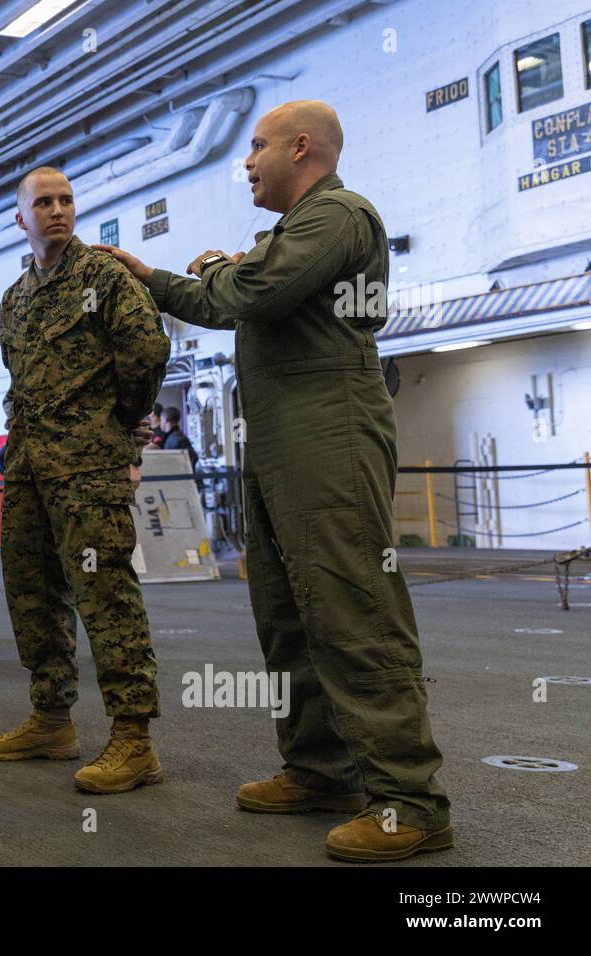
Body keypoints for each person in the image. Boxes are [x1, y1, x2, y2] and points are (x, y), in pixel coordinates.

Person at [97, 100, 452, 861]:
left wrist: (220, 269)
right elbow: (221, 295)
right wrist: (163, 276)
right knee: (288, 609)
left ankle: (410, 802)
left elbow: (245, 295)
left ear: (302, 148)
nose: (247, 160)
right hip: (283, 433)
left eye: (256, 146)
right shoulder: (289, 234)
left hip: (330, 426)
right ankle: (321, 767)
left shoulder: (338, 215)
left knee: (353, 605)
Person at [0, 167, 169, 795]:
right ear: (21, 218)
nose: (57, 210)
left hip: (88, 466)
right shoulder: (14, 298)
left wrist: (118, 423)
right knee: (31, 590)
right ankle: (52, 718)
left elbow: (147, 353)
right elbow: (19, 376)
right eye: (43, 202)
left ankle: (133, 737)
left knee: (105, 595)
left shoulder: (106, 278)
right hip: (30, 468)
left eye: (65, 200)